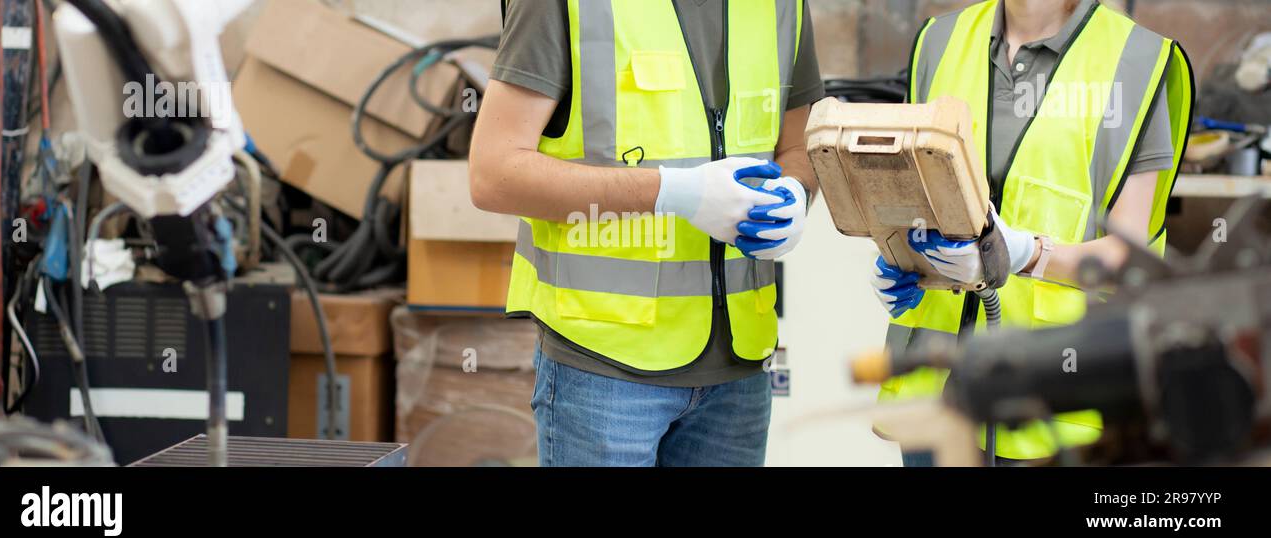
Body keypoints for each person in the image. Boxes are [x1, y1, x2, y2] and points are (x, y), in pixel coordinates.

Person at [469, 0, 824, 466]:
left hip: (740, 369)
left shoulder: (782, 6)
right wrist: (676, 191)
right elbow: (494, 174)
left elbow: (798, 142)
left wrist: (796, 193)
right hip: (603, 367)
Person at [872, 0, 1193, 465]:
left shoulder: (1137, 63)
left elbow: (1129, 262)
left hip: (1051, 394)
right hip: (935, 389)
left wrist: (1023, 253)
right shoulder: (938, 41)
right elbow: (912, 196)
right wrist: (898, 260)